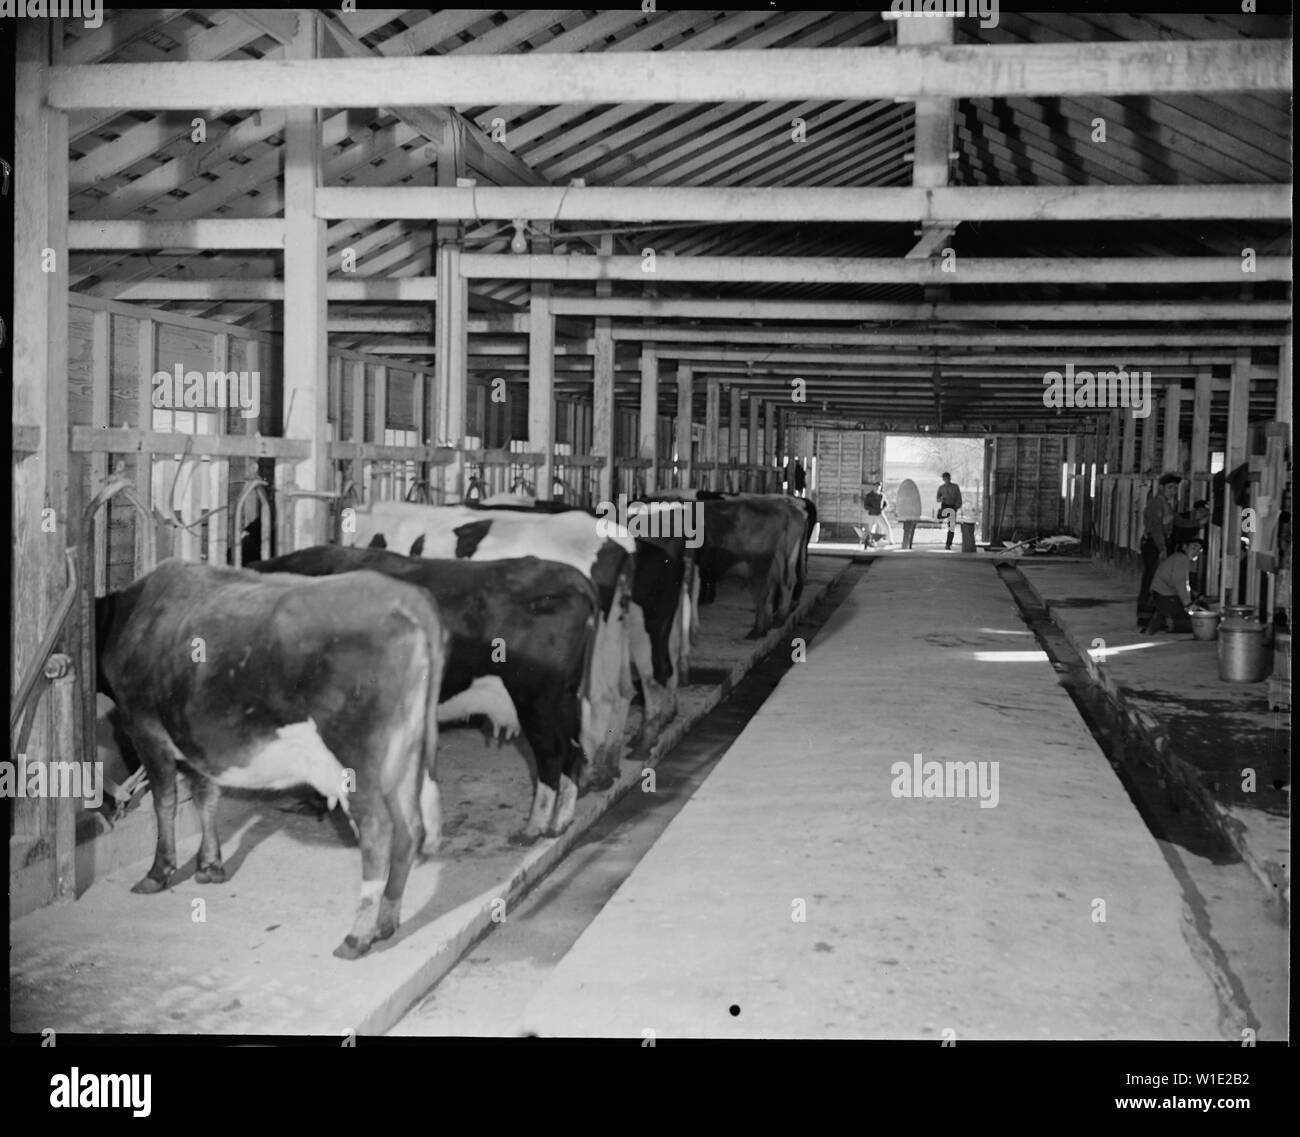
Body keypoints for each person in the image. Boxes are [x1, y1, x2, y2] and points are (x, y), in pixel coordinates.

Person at [1138, 473, 1181, 629]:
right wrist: (1162, 549)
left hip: (1159, 544)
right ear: (1162, 488)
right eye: (1170, 487)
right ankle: (1145, 617)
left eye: (1175, 488)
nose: (1173, 491)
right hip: (1153, 545)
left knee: (1157, 580)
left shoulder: (1167, 504)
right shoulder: (1156, 504)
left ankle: (1153, 616)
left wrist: (1198, 521)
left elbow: (1177, 521)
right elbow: (1156, 528)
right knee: (1151, 580)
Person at [1144, 538, 1204, 634]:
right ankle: (1169, 621)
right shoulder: (1181, 559)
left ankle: (1161, 619)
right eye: (1194, 548)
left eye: (1199, 550)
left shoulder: (1178, 557)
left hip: (1161, 594)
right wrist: (1188, 604)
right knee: (1194, 624)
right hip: (1165, 596)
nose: (1196, 552)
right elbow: (1180, 583)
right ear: (1185, 547)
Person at [936, 472, 963, 550]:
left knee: (951, 527)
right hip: (944, 506)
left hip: (952, 507)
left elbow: (959, 498)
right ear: (943, 479)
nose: (946, 480)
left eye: (947, 478)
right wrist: (941, 499)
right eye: (945, 479)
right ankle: (940, 514)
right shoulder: (941, 488)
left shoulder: (955, 487)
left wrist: (957, 507)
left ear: (950, 478)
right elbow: (937, 499)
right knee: (941, 516)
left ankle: (948, 544)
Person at [862, 481, 893, 548]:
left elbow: (886, 504)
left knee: (886, 526)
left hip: (880, 514)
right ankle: (871, 542)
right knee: (871, 530)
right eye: (876, 486)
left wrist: (883, 509)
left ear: (880, 487)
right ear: (873, 487)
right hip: (871, 515)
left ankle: (890, 540)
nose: (877, 488)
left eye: (878, 486)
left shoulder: (882, 495)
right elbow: (865, 506)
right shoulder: (869, 496)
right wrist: (872, 509)